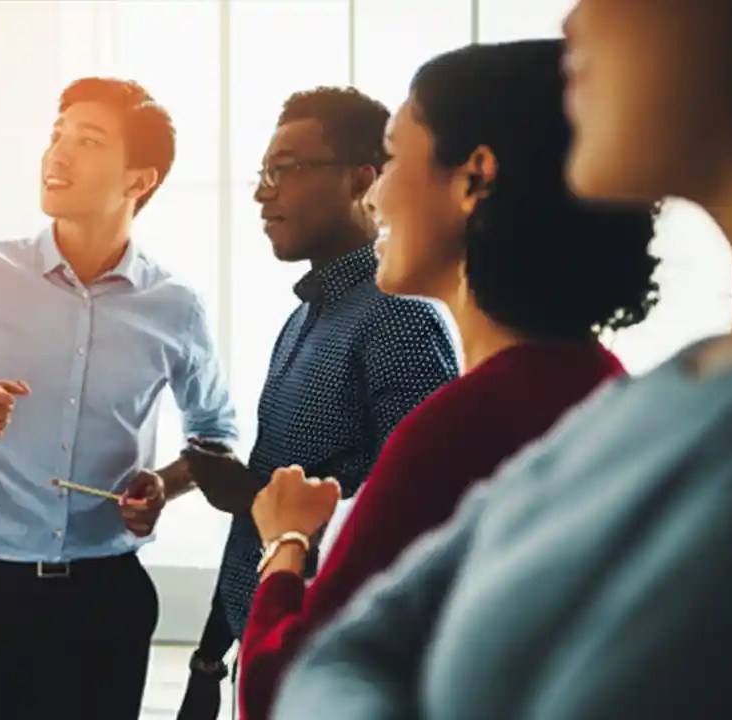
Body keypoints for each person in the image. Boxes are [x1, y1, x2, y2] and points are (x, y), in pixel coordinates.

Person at [274, 1, 732, 716]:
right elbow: (347, 650)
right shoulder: (651, 400)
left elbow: (307, 674)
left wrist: (284, 542)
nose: (574, 19)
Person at [239, 39, 659, 720]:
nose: (375, 197)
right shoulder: (604, 389)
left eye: (396, 159)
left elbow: (284, 693)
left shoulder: (461, 429)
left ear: (473, 179)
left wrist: (285, 544)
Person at [0, 77, 238, 720]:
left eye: (88, 141)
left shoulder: (175, 307)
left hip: (106, 599)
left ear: (139, 180)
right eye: (56, 135)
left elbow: (214, 433)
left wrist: (163, 483)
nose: (57, 156)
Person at [177, 87, 458, 720]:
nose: (262, 193)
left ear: (363, 180)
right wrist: (212, 654)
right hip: (269, 650)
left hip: (334, 667)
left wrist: (248, 494)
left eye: (286, 170)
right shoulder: (306, 315)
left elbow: (421, 523)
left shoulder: (401, 319)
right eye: (262, 173)